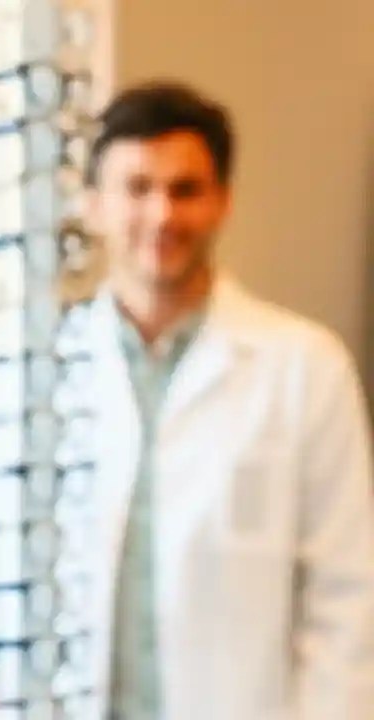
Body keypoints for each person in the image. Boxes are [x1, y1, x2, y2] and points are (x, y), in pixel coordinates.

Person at [79, 80, 374, 719]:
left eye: (185, 189)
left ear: (222, 202)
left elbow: (348, 602)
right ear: (94, 205)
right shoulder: (38, 373)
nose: (162, 215)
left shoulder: (306, 368)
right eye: (137, 188)